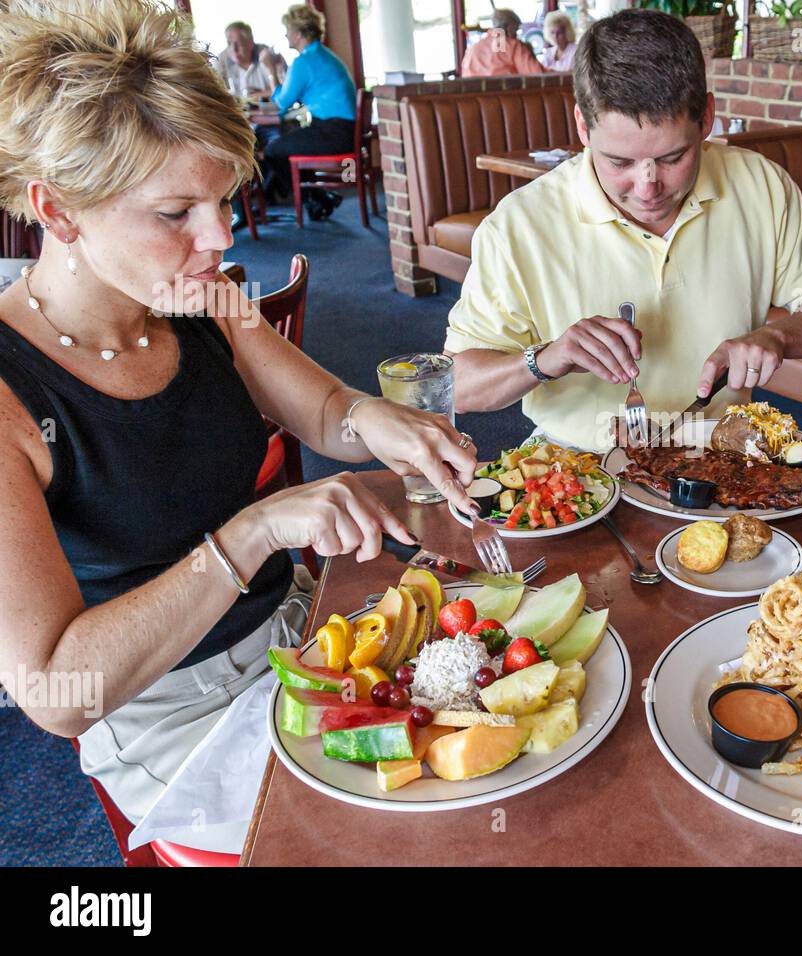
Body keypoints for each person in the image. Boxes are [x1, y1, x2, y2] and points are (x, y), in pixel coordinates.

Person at [0, 0, 478, 835]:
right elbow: (54, 692)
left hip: (302, 632)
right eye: (175, 213)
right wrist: (253, 531)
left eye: (223, 200)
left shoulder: (205, 299)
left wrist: (383, 423)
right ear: (58, 210)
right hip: (171, 713)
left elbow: (326, 409)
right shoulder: (12, 394)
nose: (220, 237)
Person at [445, 9, 802, 451]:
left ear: (707, 118)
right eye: (620, 162)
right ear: (583, 127)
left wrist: (778, 337)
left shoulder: (759, 184)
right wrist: (548, 358)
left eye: (672, 158)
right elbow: (460, 385)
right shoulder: (518, 224)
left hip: (720, 451)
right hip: (573, 463)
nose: (648, 188)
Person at [263, 4, 357, 219]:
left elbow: (281, 103)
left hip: (334, 133)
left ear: (297, 34)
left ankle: (314, 200)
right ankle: (320, 199)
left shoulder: (304, 62)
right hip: (343, 130)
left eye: (287, 29)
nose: (285, 34)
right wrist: (278, 71)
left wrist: (269, 69)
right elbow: (288, 96)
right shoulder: (323, 55)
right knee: (288, 144)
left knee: (273, 150)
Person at [460, 8, 545, 78]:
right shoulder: (514, 46)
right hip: (509, 97)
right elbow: (539, 74)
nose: (516, 34)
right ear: (510, 27)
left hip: (474, 98)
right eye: (516, 29)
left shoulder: (472, 49)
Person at [215, 20, 285, 100]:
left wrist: (254, 96)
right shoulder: (221, 60)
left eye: (238, 43)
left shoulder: (268, 55)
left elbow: (285, 90)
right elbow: (217, 95)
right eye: (229, 43)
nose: (234, 49)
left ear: (250, 42)